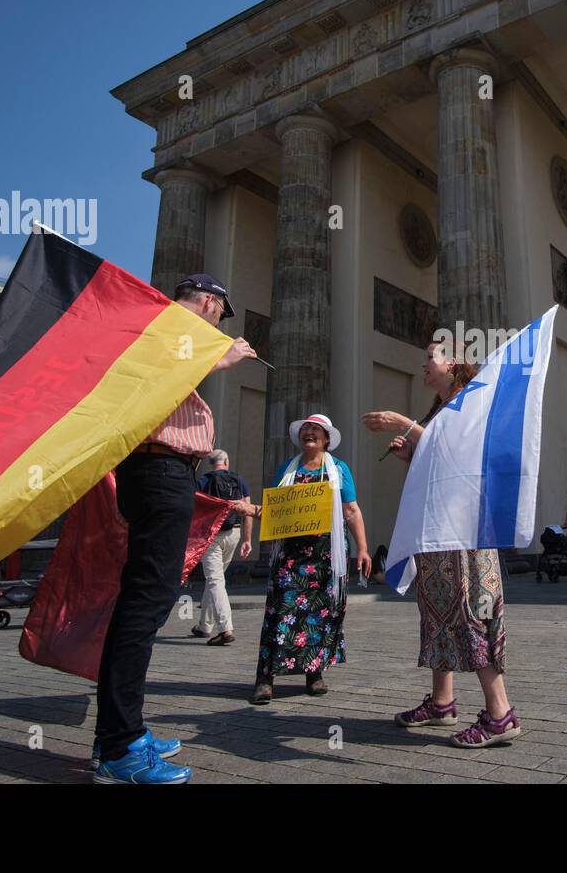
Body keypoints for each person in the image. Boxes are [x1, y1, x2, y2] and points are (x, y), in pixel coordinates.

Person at [93, 273, 257, 784]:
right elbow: (153, 386)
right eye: (218, 315)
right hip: (158, 469)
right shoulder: (168, 331)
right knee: (145, 603)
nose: (216, 326)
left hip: (165, 472)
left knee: (146, 600)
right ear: (211, 303)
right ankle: (119, 749)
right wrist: (221, 358)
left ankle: (121, 733)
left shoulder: (167, 336)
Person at [361, 341, 520, 748]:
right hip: (436, 531)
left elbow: (459, 452)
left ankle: (500, 714)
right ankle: (442, 702)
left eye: (429, 359)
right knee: (437, 612)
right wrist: (411, 455)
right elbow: (437, 462)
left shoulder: (471, 400)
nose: (423, 367)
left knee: (470, 610)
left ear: (453, 364)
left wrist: (403, 424)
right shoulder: (437, 409)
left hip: (463, 532)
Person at [243, 414, 370, 703]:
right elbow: (275, 507)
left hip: (326, 555)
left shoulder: (338, 468)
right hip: (290, 555)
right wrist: (252, 510)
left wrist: (362, 548)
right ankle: (265, 677)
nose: (308, 434)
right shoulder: (287, 469)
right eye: (305, 430)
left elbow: (351, 510)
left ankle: (314, 673)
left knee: (320, 614)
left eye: (315, 430)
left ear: (326, 439)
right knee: (280, 612)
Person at [191, 449, 253, 646]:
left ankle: (226, 629)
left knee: (215, 580)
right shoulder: (239, 480)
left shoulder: (203, 481)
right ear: (226, 461)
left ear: (211, 463)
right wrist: (247, 539)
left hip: (211, 535)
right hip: (233, 534)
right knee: (215, 579)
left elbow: (193, 507)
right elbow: (248, 511)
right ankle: (204, 626)